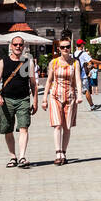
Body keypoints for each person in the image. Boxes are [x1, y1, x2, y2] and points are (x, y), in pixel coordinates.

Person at [0, 35, 38, 168]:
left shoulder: (27, 62)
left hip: (23, 99)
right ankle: (13, 156)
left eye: (20, 45)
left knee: (24, 127)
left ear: (23, 47)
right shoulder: (3, 62)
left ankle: (22, 157)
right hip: (6, 100)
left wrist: (35, 101)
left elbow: (33, 84)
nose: (18, 47)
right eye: (15, 44)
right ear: (11, 46)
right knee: (7, 129)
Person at [44, 32, 80, 165]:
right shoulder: (53, 63)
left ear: (70, 47)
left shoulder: (75, 63)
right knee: (57, 125)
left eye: (68, 46)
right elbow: (48, 81)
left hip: (70, 96)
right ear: (59, 49)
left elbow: (78, 80)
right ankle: (58, 152)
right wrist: (44, 98)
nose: (65, 49)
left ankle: (64, 152)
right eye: (63, 47)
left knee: (67, 127)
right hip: (55, 95)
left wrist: (80, 95)